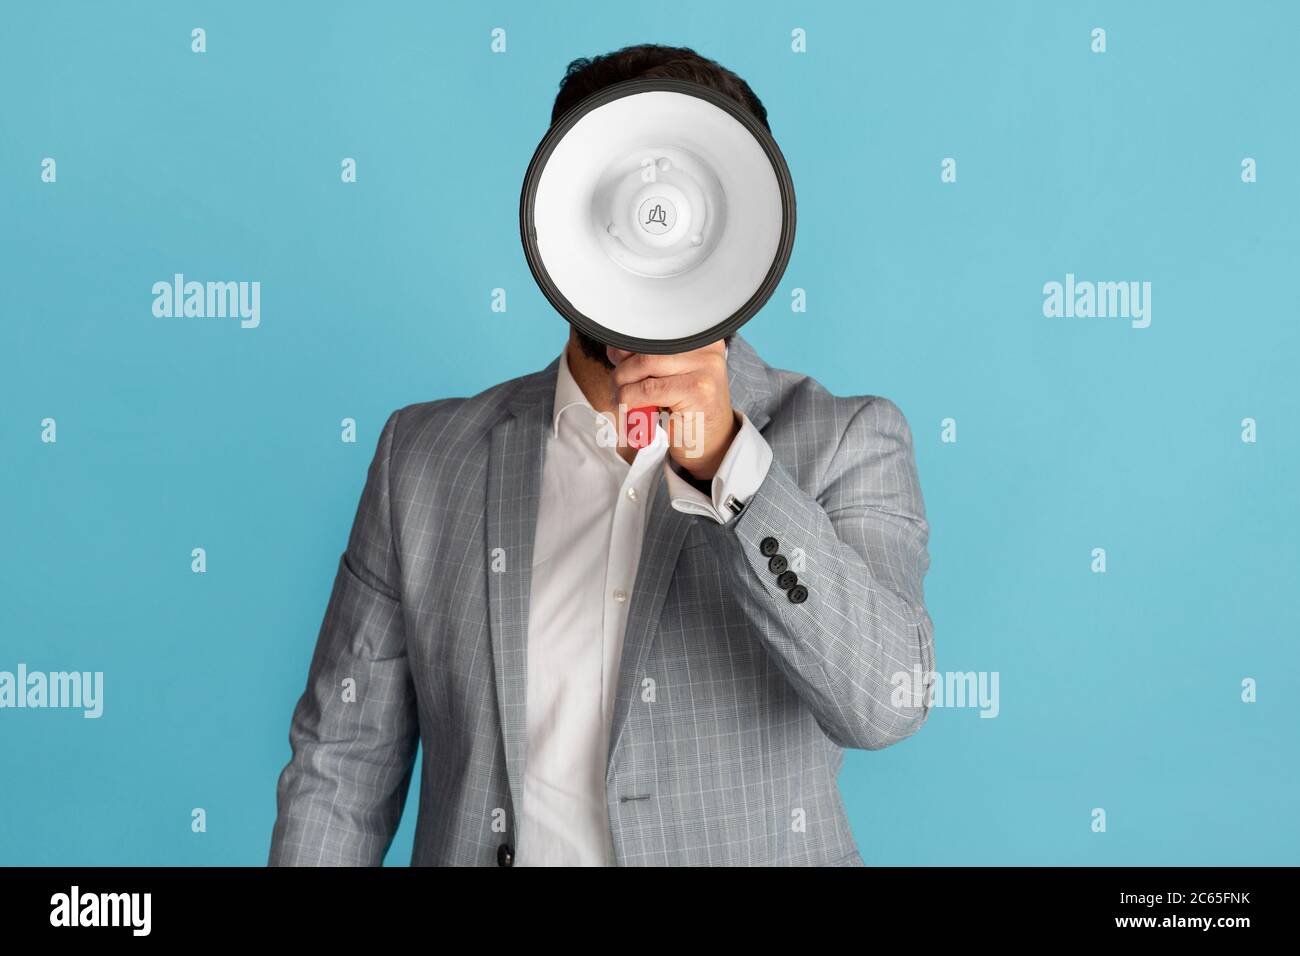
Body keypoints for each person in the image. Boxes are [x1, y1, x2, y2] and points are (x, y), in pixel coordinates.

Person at [269, 43, 934, 867]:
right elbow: (342, 766)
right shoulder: (423, 460)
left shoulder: (845, 440)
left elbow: (885, 702)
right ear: (563, 215)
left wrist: (732, 467)